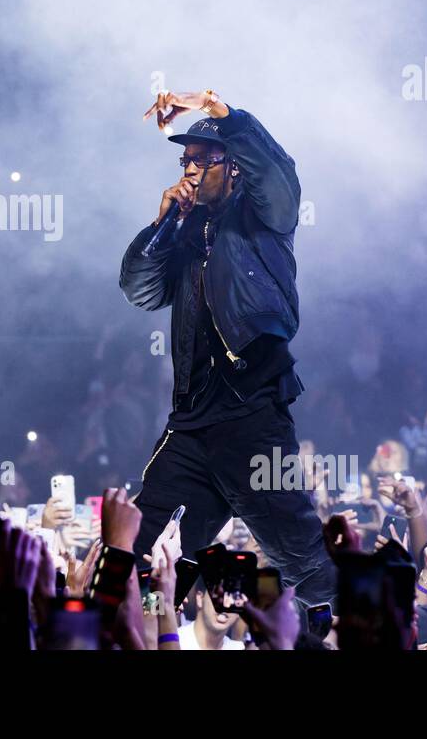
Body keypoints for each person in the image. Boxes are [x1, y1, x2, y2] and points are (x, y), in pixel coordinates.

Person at [119, 90, 335, 610]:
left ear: (233, 167)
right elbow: (141, 291)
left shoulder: (265, 219)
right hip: (192, 423)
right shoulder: (187, 231)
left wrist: (222, 111)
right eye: (184, 161)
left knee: (305, 562)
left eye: (202, 160)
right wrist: (162, 225)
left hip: (255, 412)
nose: (189, 171)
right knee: (139, 560)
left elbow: (279, 175)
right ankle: (138, 635)